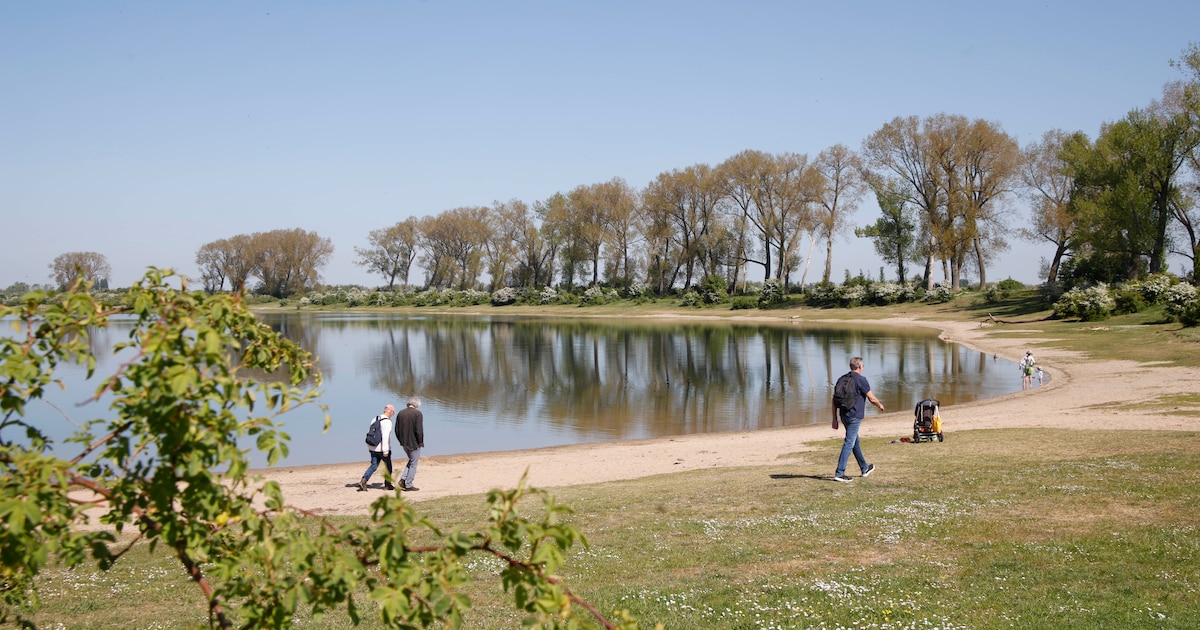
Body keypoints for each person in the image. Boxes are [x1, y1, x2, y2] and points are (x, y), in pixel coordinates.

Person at [831, 357, 885, 482]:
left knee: (855, 441)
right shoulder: (861, 380)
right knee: (849, 443)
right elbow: (872, 398)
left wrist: (834, 418)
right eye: (863, 366)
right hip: (854, 416)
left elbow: (834, 400)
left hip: (843, 415)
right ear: (860, 367)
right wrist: (880, 405)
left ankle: (864, 468)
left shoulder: (841, 379)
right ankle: (839, 473)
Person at [357, 404, 395, 492]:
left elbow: (370, 433)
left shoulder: (375, 418)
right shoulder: (387, 422)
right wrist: (386, 450)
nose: (392, 415)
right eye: (393, 413)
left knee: (374, 466)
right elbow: (385, 437)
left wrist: (369, 447)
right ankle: (387, 485)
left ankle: (363, 480)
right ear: (390, 412)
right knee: (388, 467)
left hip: (373, 447)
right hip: (381, 449)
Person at [394, 395, 425, 491]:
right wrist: (420, 442)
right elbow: (419, 430)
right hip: (414, 443)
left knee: (412, 460)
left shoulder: (401, 413)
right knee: (414, 464)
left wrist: (401, 441)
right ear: (417, 404)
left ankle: (403, 480)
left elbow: (396, 429)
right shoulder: (417, 413)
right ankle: (408, 484)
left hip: (404, 443)